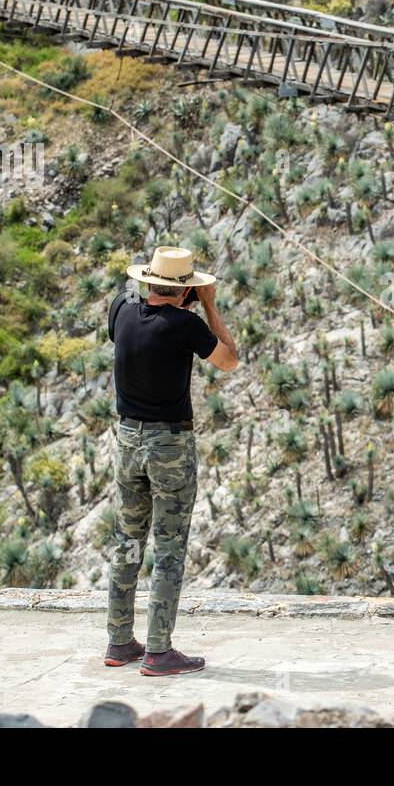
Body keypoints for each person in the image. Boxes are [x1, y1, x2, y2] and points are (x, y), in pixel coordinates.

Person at [105, 246, 238, 676]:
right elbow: (228, 359)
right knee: (168, 550)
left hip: (126, 440)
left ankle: (119, 642)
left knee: (126, 543)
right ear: (187, 292)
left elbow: (135, 325)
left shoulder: (121, 309)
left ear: (147, 281)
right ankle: (159, 651)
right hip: (169, 446)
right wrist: (211, 306)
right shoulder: (187, 325)